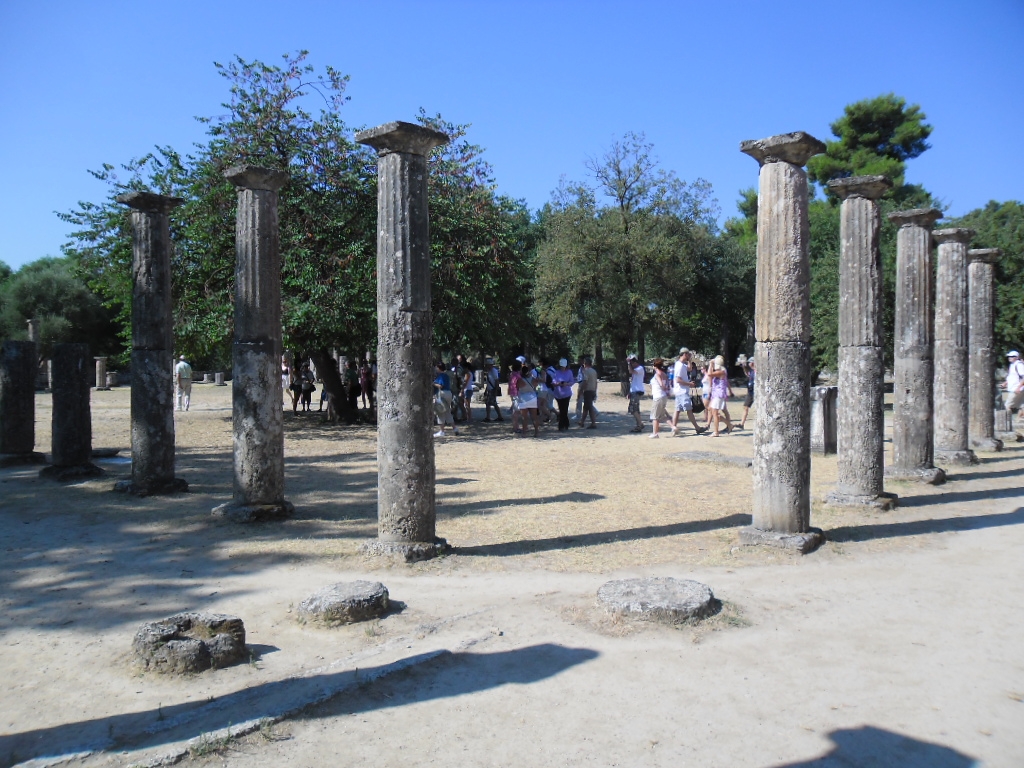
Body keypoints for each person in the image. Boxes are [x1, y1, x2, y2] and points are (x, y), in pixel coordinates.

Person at [670, 347, 706, 436]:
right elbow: (678, 380)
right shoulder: (680, 366)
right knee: (689, 410)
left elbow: (689, 369)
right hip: (682, 391)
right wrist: (689, 384)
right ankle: (697, 428)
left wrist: (689, 360)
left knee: (677, 410)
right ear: (685, 354)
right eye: (688, 354)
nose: (689, 356)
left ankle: (674, 429)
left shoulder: (681, 364)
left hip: (679, 391)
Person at [707, 355, 734, 436]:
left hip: (719, 394)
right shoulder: (721, 371)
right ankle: (729, 425)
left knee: (715, 413)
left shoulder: (721, 372)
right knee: (712, 410)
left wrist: (711, 364)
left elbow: (709, 374)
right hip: (716, 393)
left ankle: (716, 431)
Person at [433, 362, 458, 437]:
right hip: (448, 393)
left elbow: (441, 386)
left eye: (436, 367)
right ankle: (455, 428)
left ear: (439, 368)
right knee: (447, 411)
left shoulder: (441, 376)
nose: (435, 369)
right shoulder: (446, 375)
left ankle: (442, 431)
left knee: (440, 411)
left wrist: (433, 383)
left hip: (442, 394)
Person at [648, 358, 672, 438]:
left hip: (658, 396)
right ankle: (673, 427)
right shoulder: (664, 374)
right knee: (662, 415)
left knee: (654, 416)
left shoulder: (657, 374)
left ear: (655, 366)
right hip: (663, 396)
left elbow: (662, 384)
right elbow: (667, 384)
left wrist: (663, 388)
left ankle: (655, 433)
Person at [516, 364, 541, 436]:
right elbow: (536, 386)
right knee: (534, 416)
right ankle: (536, 432)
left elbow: (517, 387)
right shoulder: (533, 379)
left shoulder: (520, 380)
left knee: (524, 417)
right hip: (532, 397)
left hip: (523, 398)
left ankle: (524, 433)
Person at [551, 358, 575, 431]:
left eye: (564, 366)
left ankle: (561, 425)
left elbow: (572, 381)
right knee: (561, 409)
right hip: (558, 394)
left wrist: (566, 384)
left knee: (564, 409)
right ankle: (566, 423)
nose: (563, 367)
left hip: (567, 393)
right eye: (562, 366)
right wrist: (558, 383)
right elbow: (553, 382)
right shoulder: (556, 372)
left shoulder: (569, 372)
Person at [627, 354, 646, 433]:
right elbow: (633, 382)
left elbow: (630, 371)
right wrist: (629, 392)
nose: (631, 365)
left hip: (637, 391)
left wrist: (628, 363)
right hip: (634, 391)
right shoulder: (636, 370)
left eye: (632, 363)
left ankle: (640, 424)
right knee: (636, 409)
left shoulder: (640, 368)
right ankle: (639, 424)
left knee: (633, 409)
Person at [579, 356, 599, 428]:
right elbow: (596, 382)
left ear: (586, 363)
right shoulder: (594, 371)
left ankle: (593, 423)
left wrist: (581, 390)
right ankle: (582, 422)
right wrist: (595, 391)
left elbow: (585, 382)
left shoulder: (586, 371)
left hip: (588, 391)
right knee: (586, 407)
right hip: (593, 390)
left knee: (589, 408)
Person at [739, 358, 756, 429]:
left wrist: (753, 367)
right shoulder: (751, 371)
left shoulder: (757, 371)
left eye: (750, 362)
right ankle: (742, 424)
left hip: (756, 392)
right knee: (745, 407)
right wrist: (744, 367)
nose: (749, 364)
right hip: (750, 392)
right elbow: (747, 374)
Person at [461, 357, 476, 423]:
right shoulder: (470, 373)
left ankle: (469, 418)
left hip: (467, 389)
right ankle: (468, 418)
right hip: (469, 389)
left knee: (467, 405)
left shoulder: (467, 374)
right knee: (467, 405)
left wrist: (462, 390)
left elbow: (465, 382)